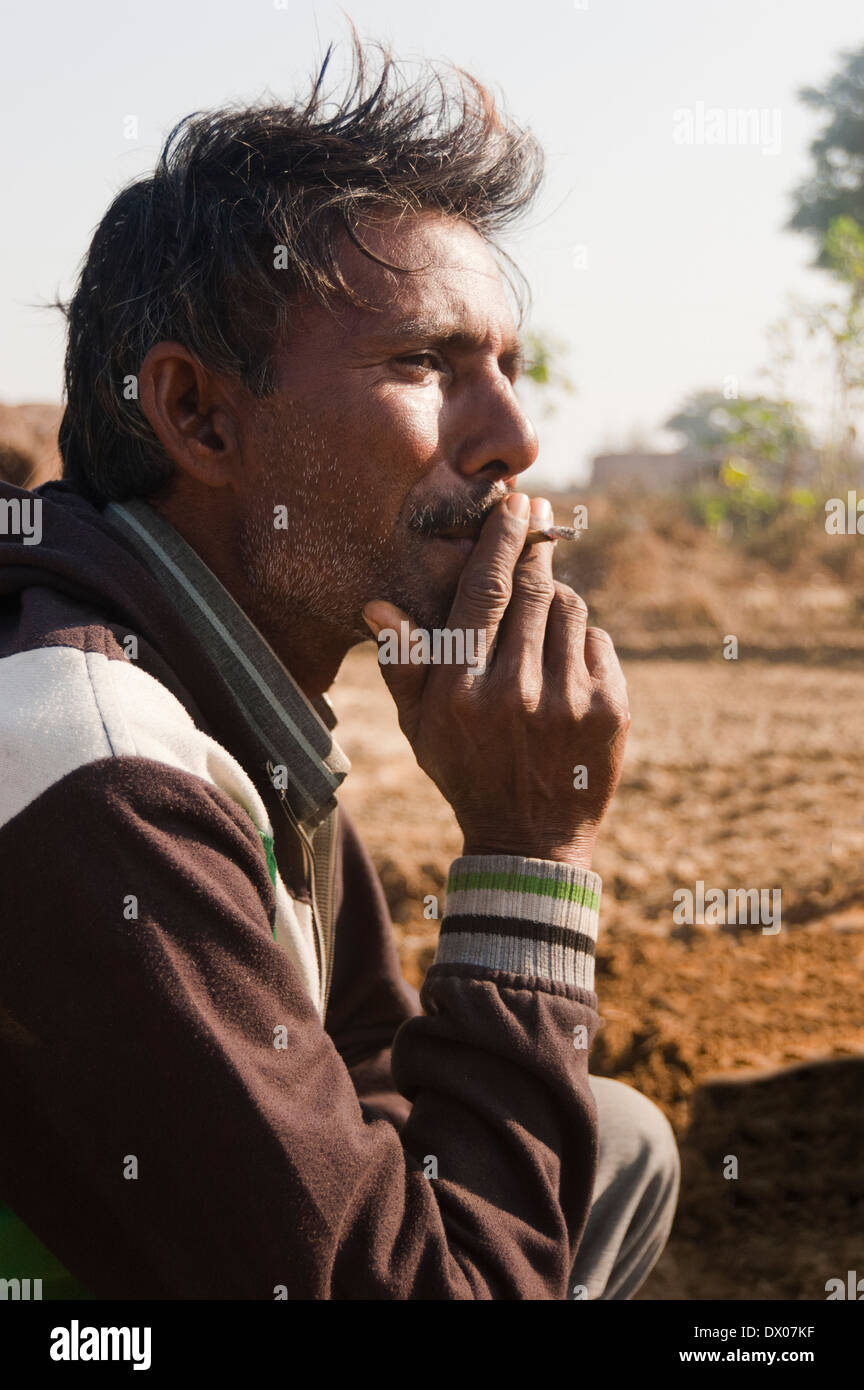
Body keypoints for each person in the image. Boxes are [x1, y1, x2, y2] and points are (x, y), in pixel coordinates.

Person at [0, 36, 678, 1300]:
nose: (515, 440)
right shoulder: (92, 764)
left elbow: (360, 1063)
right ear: (200, 415)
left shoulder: (224, 690)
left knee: (617, 1141)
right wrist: (529, 855)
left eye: (508, 371)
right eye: (426, 365)